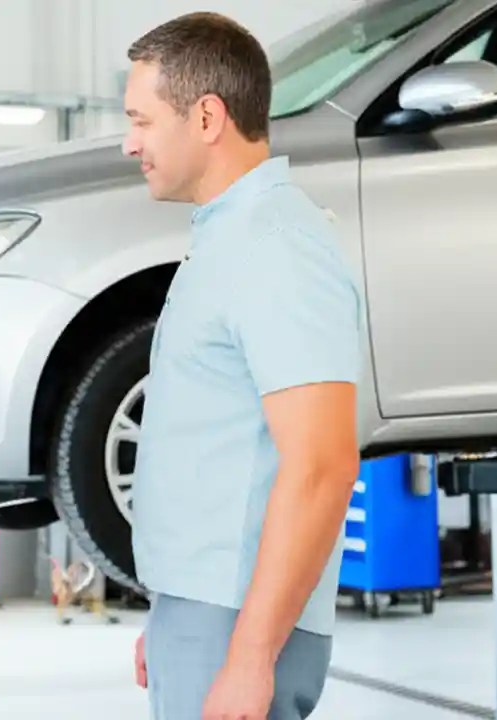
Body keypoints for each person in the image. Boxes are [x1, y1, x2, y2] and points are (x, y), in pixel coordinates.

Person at [121, 12, 363, 720]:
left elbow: (322, 465)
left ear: (206, 117)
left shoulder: (275, 246)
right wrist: (175, 615)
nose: (130, 142)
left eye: (141, 120)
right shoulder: (229, 240)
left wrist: (250, 655)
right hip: (207, 612)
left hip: (235, 623)